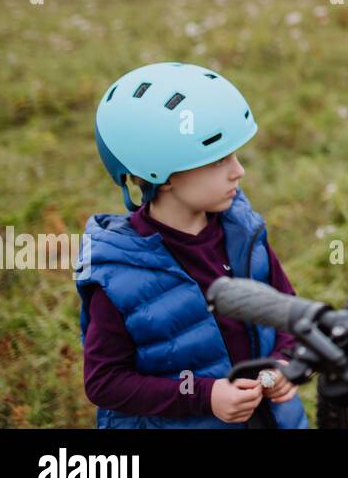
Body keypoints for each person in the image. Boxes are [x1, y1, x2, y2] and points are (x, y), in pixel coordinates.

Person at [76, 62, 309, 428]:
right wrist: (203, 395)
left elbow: (289, 313)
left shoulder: (243, 232)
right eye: (219, 159)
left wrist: (284, 364)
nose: (239, 170)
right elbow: (105, 382)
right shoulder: (120, 274)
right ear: (161, 173)